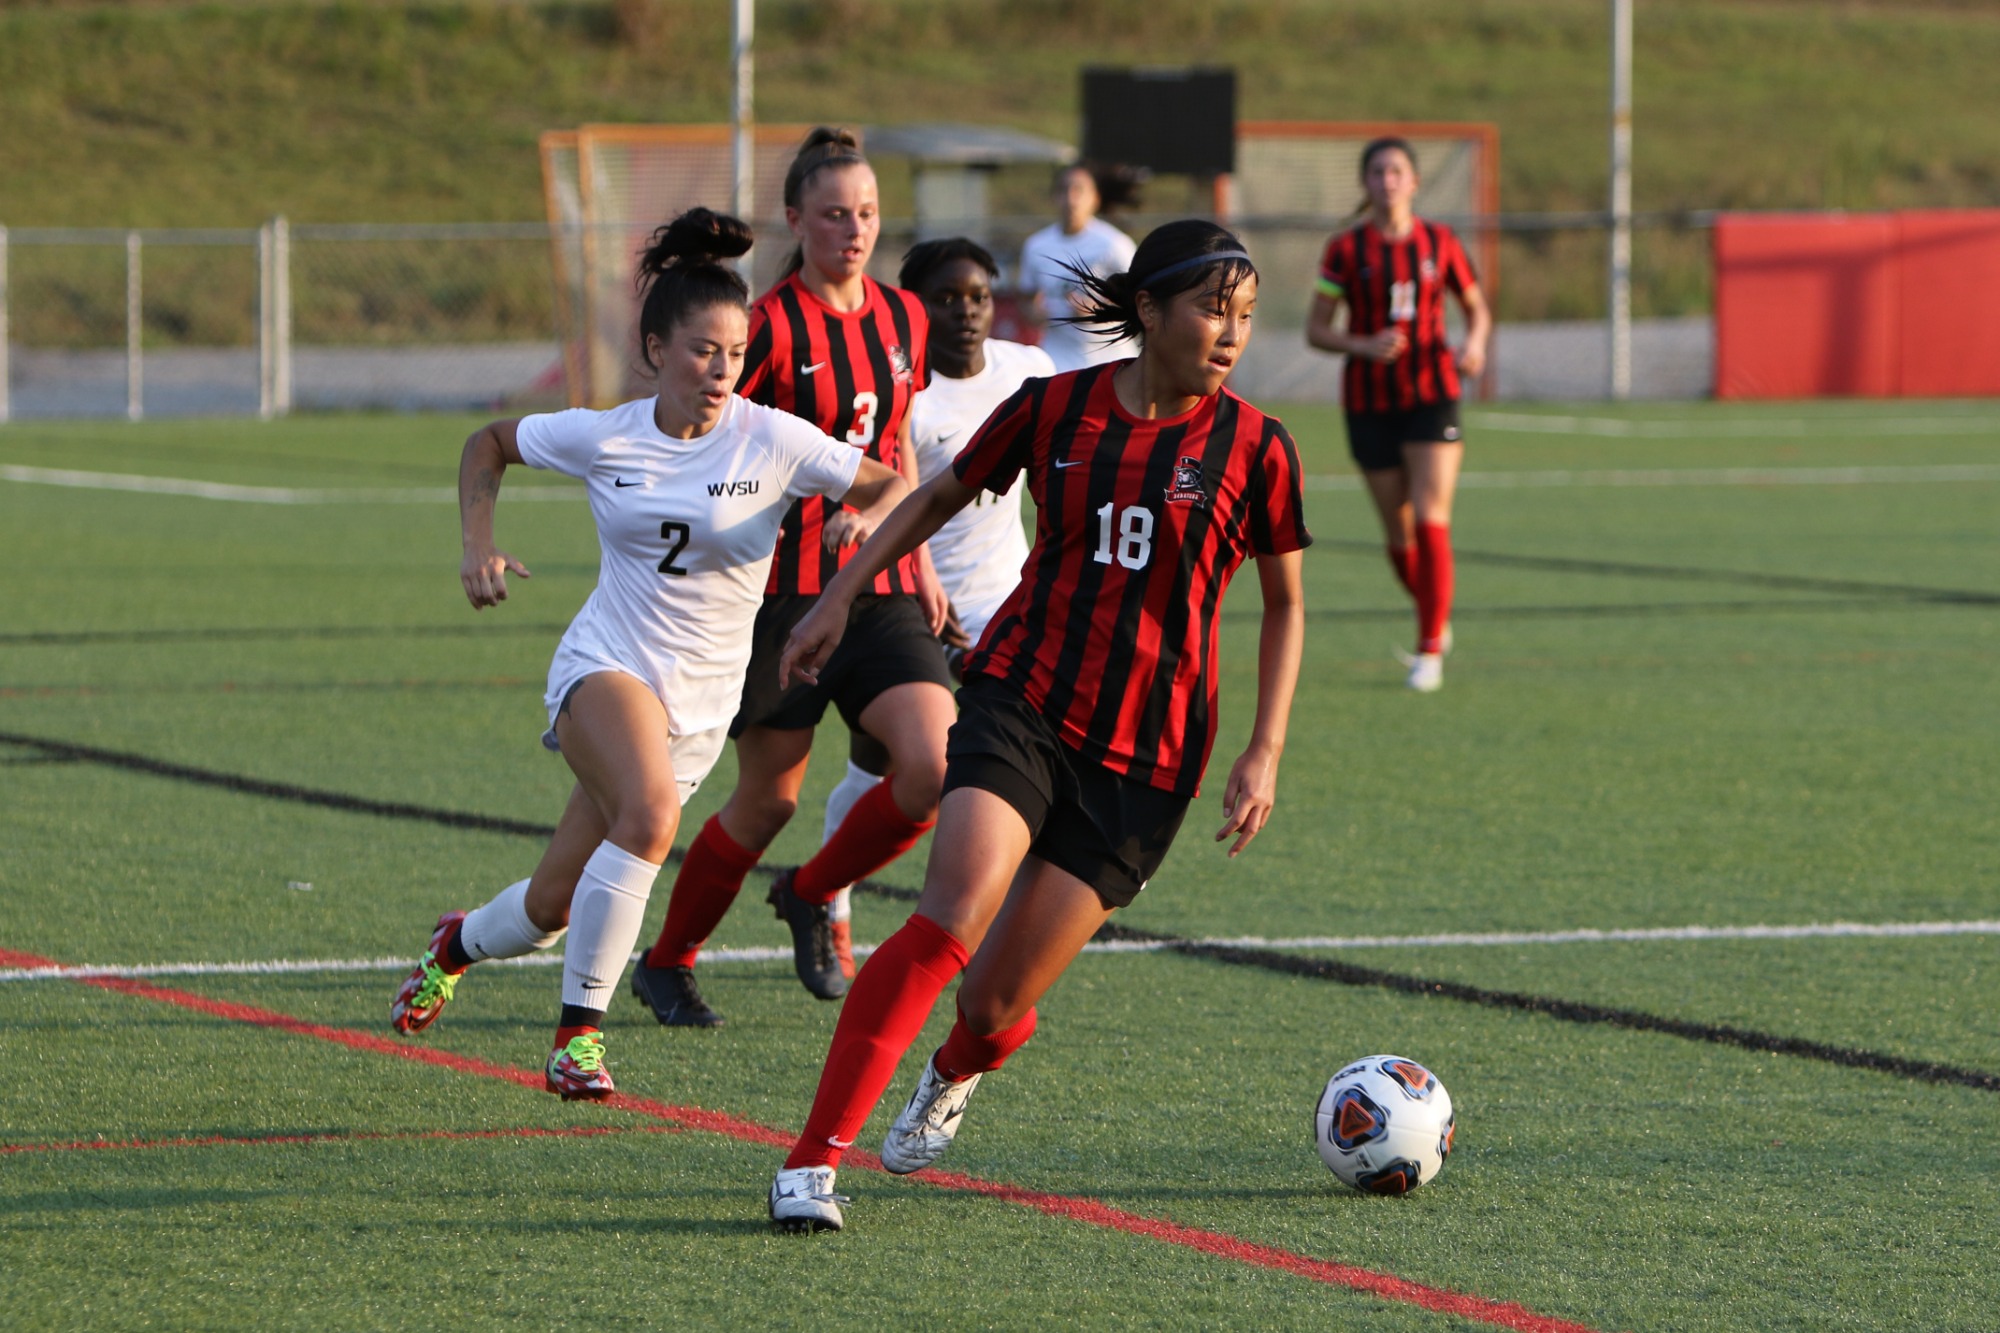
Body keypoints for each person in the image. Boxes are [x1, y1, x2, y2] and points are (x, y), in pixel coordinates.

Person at [764, 220, 1312, 1231]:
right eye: (1208, 309)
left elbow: (1283, 603)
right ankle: (809, 1163)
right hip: (1024, 697)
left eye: (1242, 314)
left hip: (1149, 758)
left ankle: (953, 1069)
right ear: (1145, 312)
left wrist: (1263, 746)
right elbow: (933, 496)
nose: (1229, 333)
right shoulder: (1052, 408)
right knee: (950, 910)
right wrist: (839, 594)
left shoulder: (1256, 448)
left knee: (989, 1005)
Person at [386, 208, 908, 1100]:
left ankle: (455, 943)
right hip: (607, 667)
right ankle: (577, 1040)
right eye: (703, 350)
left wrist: (867, 528)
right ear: (656, 348)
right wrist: (478, 542)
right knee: (651, 816)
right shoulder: (608, 434)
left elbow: (893, 482)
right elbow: (490, 442)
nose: (721, 370)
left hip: (702, 708)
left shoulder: (772, 438)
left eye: (736, 353)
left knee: (552, 906)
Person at [631, 128, 956, 1024]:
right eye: (833, 214)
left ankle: (814, 892)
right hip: (781, 593)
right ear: (795, 219)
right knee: (768, 799)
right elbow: (706, 436)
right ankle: (667, 959)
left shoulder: (904, 316)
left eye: (867, 214)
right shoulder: (765, 324)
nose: (852, 230)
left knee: (934, 766)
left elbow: (900, 450)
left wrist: (915, 550)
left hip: (881, 590)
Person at [809, 239, 1059, 892]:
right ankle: (829, 894)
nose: (966, 312)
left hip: (1011, 600)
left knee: (904, 765)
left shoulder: (1028, 368)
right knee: (913, 767)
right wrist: (868, 521)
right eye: (945, 299)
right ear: (914, 310)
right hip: (923, 603)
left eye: (977, 296)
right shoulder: (906, 393)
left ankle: (825, 891)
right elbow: (883, 483)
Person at [1305, 136, 1490, 693]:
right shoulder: (1345, 249)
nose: (1388, 181)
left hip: (1433, 393)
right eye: (1378, 172)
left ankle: (1429, 648)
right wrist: (1363, 344)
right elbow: (1316, 330)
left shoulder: (1441, 241)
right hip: (1368, 401)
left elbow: (1476, 308)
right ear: (1365, 183)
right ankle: (1435, 614)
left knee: (1433, 517)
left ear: (1414, 181)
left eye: (1397, 171)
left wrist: (1475, 344)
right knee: (1399, 534)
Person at [1018, 163, 1139, 372]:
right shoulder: (1036, 245)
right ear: (1054, 197)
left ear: (1095, 198)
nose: (1071, 199)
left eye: (1079, 190)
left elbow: (1140, 297)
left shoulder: (1115, 244)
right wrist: (1035, 314)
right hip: (1057, 360)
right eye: (1064, 190)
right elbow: (1025, 299)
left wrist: (1098, 308)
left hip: (1110, 360)